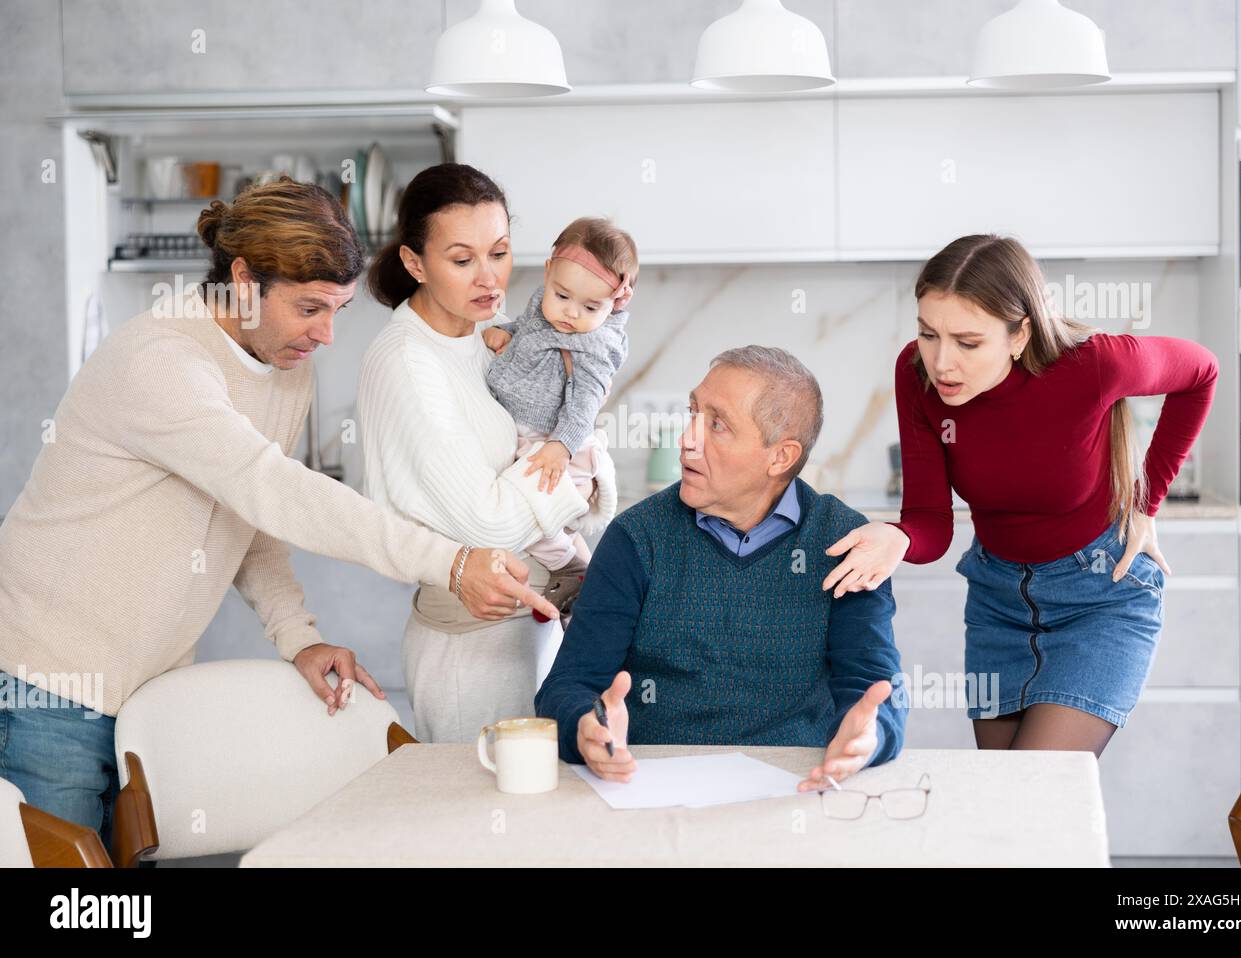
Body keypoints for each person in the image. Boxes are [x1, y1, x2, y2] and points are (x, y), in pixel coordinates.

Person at [0, 177, 557, 846]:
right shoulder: (162, 361)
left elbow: (249, 518)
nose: (324, 335)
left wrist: (297, 634)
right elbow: (275, 488)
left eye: (338, 311)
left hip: (144, 688)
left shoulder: (285, 366)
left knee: (113, 883)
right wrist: (452, 560)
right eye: (309, 309)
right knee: (62, 881)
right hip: (45, 679)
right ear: (243, 279)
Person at [822, 234, 1219, 756]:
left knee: (1042, 784)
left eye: (968, 343)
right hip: (998, 602)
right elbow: (930, 520)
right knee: (1005, 803)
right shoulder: (915, 375)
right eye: (927, 334)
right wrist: (898, 537)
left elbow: (1201, 371)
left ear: (1019, 334)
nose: (942, 362)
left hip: (1100, 596)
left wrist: (1146, 502)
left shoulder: (1094, 365)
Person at [536, 346, 907, 790]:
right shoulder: (636, 538)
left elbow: (876, 691)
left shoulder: (845, 541)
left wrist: (869, 735)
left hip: (792, 790)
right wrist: (584, 728)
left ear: (780, 457)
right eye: (692, 412)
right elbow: (567, 687)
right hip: (652, 788)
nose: (687, 438)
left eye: (717, 424)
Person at [359, 164, 609, 743]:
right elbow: (486, 522)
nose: (489, 278)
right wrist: (576, 477)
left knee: (537, 815)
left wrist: (571, 466)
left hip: (533, 627)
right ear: (415, 263)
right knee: (481, 821)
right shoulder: (406, 363)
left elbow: (574, 420)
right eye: (462, 259)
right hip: (470, 646)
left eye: (498, 252)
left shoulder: (490, 332)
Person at [482, 215, 636, 615]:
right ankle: (575, 587)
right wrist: (510, 333)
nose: (571, 313)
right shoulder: (546, 304)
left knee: (527, 515)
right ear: (549, 272)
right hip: (532, 433)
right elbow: (534, 329)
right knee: (543, 518)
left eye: (591, 306)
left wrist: (559, 447)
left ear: (616, 302)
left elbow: (584, 405)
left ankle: (570, 569)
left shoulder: (596, 345)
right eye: (563, 295)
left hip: (557, 441)